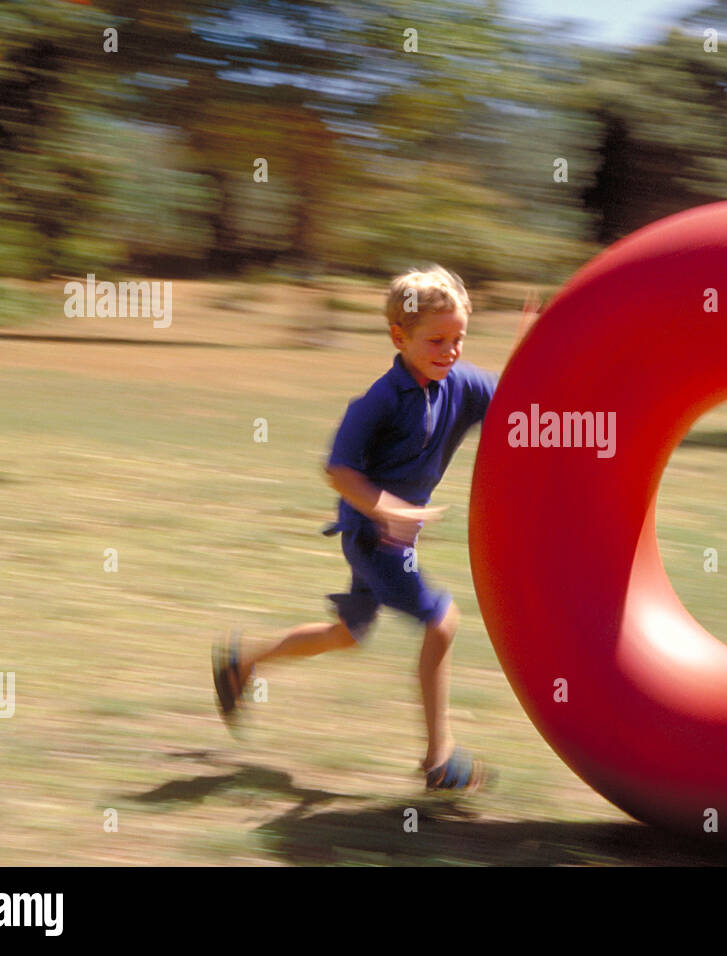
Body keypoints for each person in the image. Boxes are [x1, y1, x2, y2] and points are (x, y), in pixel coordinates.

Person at [213, 265, 532, 792]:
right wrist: (391, 511)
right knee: (443, 621)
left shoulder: (464, 384)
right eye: (436, 340)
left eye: (458, 339)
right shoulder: (380, 400)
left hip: (387, 538)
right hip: (373, 537)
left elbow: (516, 402)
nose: (449, 351)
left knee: (348, 634)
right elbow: (337, 470)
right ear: (398, 337)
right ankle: (440, 758)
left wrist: (532, 359)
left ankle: (242, 661)